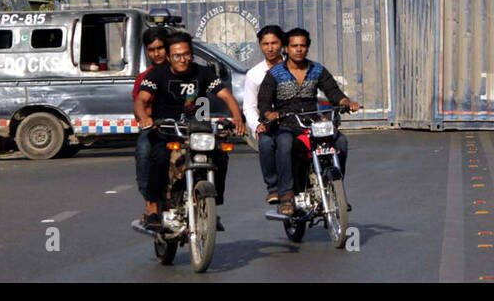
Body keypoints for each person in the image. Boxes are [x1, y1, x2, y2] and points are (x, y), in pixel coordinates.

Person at [135, 31, 246, 231]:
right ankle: (152, 207)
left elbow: (227, 96)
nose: (183, 60)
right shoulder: (157, 74)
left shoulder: (203, 73)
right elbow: (141, 100)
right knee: (158, 157)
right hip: (167, 130)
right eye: (177, 56)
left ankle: (212, 203)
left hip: (198, 130)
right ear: (169, 57)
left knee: (220, 155)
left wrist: (237, 117)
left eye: (187, 54)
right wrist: (144, 117)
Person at [258, 27, 362, 217]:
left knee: (340, 142)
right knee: (284, 143)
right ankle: (287, 196)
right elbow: (264, 101)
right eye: (294, 46)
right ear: (286, 49)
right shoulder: (275, 73)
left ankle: (335, 188)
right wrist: (268, 113)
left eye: (302, 46)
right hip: (286, 123)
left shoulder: (317, 70)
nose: (298, 49)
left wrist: (346, 102)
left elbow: (334, 92)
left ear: (307, 48)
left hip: (312, 122)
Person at [243, 25, 287, 204]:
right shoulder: (254, 74)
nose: (270, 48)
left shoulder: (295, 67)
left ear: (282, 44)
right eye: (265, 44)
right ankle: (274, 188)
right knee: (267, 144)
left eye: (274, 43)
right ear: (260, 46)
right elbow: (249, 107)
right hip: (269, 125)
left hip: (295, 121)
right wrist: (257, 125)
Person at [132, 26, 170, 220]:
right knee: (144, 150)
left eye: (160, 48)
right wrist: (147, 119)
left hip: (182, 126)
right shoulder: (144, 78)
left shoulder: (186, 72)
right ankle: (151, 203)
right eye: (151, 49)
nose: (156, 53)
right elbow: (140, 105)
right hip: (156, 128)